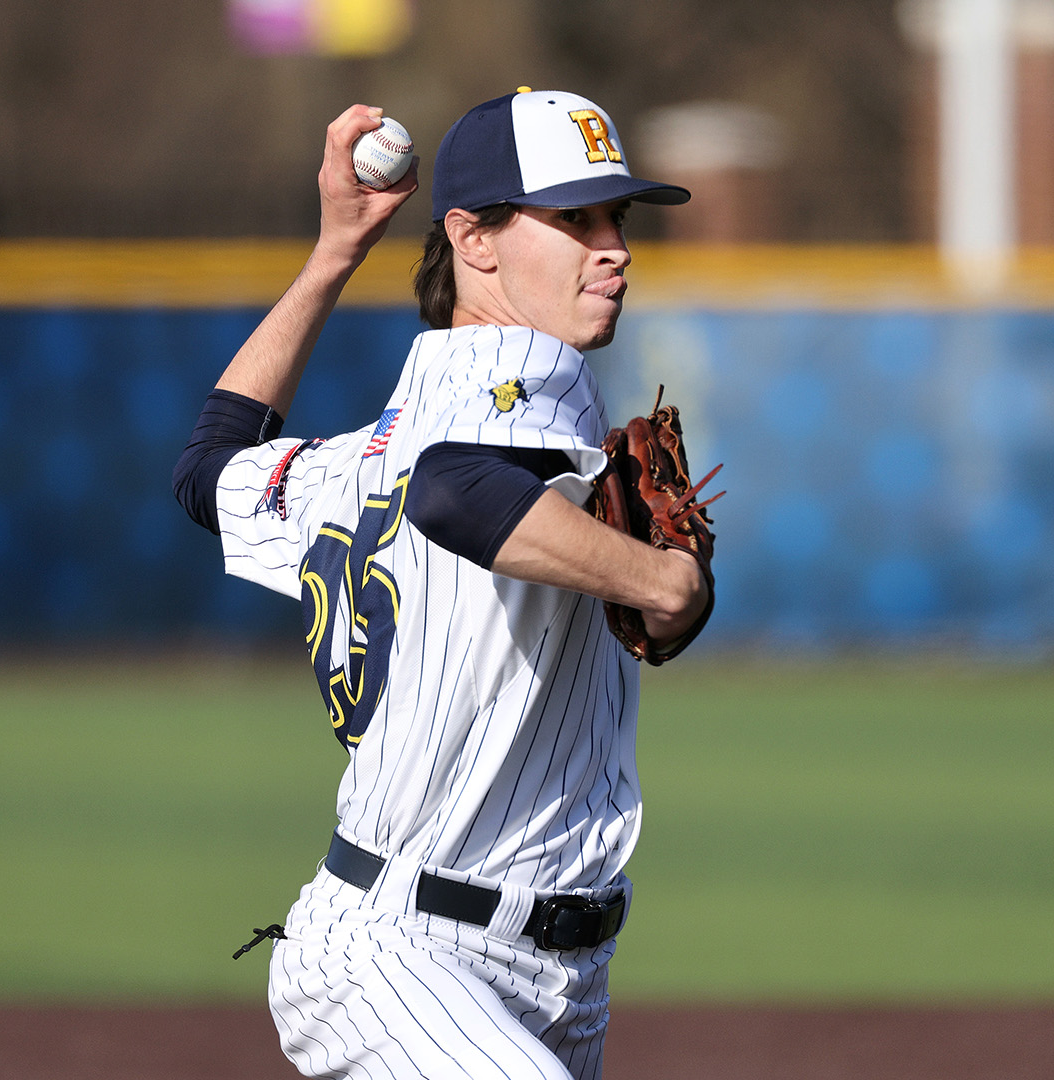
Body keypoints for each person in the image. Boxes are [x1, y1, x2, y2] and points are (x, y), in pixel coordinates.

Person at [173, 89, 708, 1080]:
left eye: (616, 218)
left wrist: (334, 253)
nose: (614, 250)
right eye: (575, 220)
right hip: (406, 954)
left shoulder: (362, 454)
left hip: (532, 963)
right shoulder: (521, 376)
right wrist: (662, 581)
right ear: (473, 238)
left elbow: (209, 469)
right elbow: (457, 490)